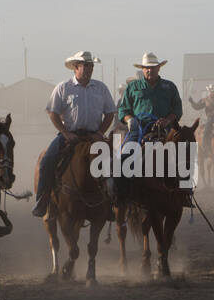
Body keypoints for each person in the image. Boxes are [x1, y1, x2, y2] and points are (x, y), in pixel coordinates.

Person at [32, 51, 117, 217]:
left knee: (115, 163)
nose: (89, 68)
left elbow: (110, 113)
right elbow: (52, 113)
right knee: (47, 161)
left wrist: (100, 132)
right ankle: (42, 201)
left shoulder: (101, 88)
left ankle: (112, 203)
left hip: (94, 136)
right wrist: (64, 132)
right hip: (70, 135)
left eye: (91, 65)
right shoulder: (63, 88)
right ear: (76, 67)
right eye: (85, 65)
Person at [118, 52, 183, 145]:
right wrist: (130, 120)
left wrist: (167, 120)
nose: (150, 70)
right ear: (142, 69)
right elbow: (123, 110)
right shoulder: (132, 87)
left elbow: (177, 109)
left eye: (153, 67)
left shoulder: (169, 87)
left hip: (165, 131)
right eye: (147, 68)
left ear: (158, 68)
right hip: (138, 131)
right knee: (125, 154)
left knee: (183, 152)